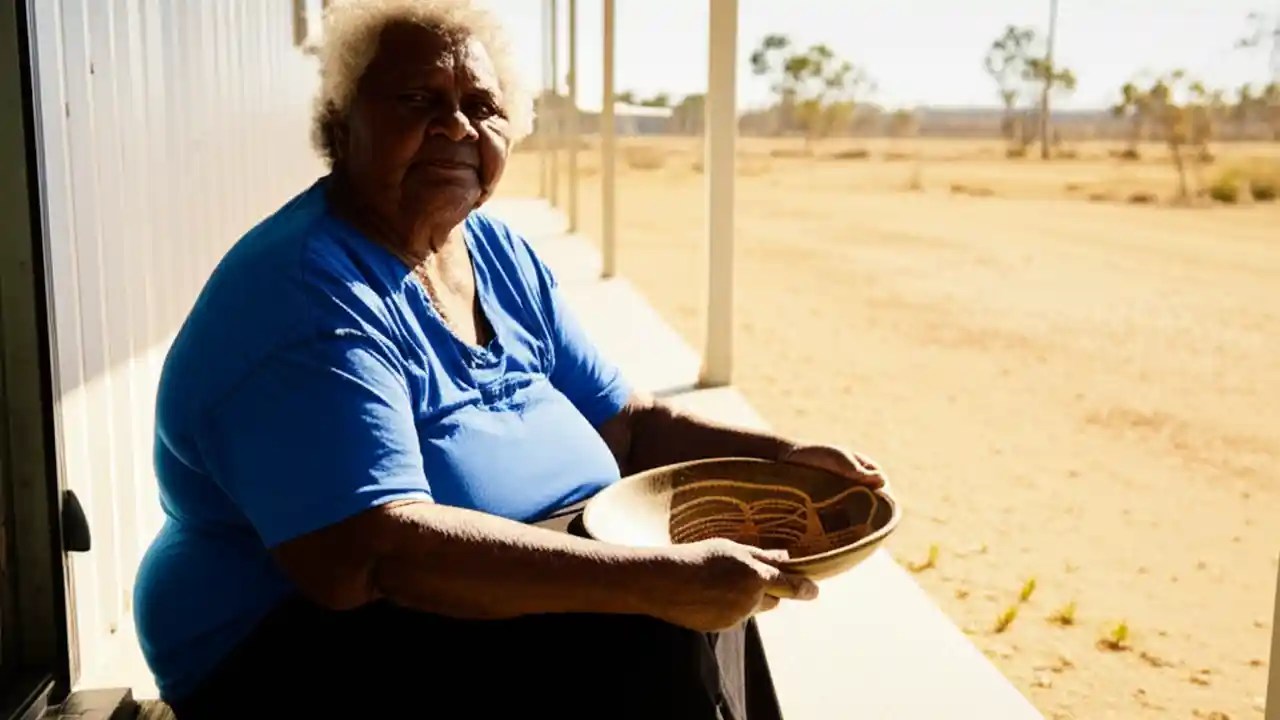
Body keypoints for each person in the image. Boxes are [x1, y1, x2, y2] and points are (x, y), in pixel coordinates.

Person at [133, 1, 884, 717]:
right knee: (652, 620)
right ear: (342, 123)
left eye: (481, 105)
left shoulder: (493, 251)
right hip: (283, 648)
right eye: (416, 99)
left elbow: (628, 426)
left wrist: (787, 461)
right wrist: (655, 582)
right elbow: (371, 557)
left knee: (705, 591)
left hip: (455, 590)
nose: (455, 124)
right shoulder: (306, 294)